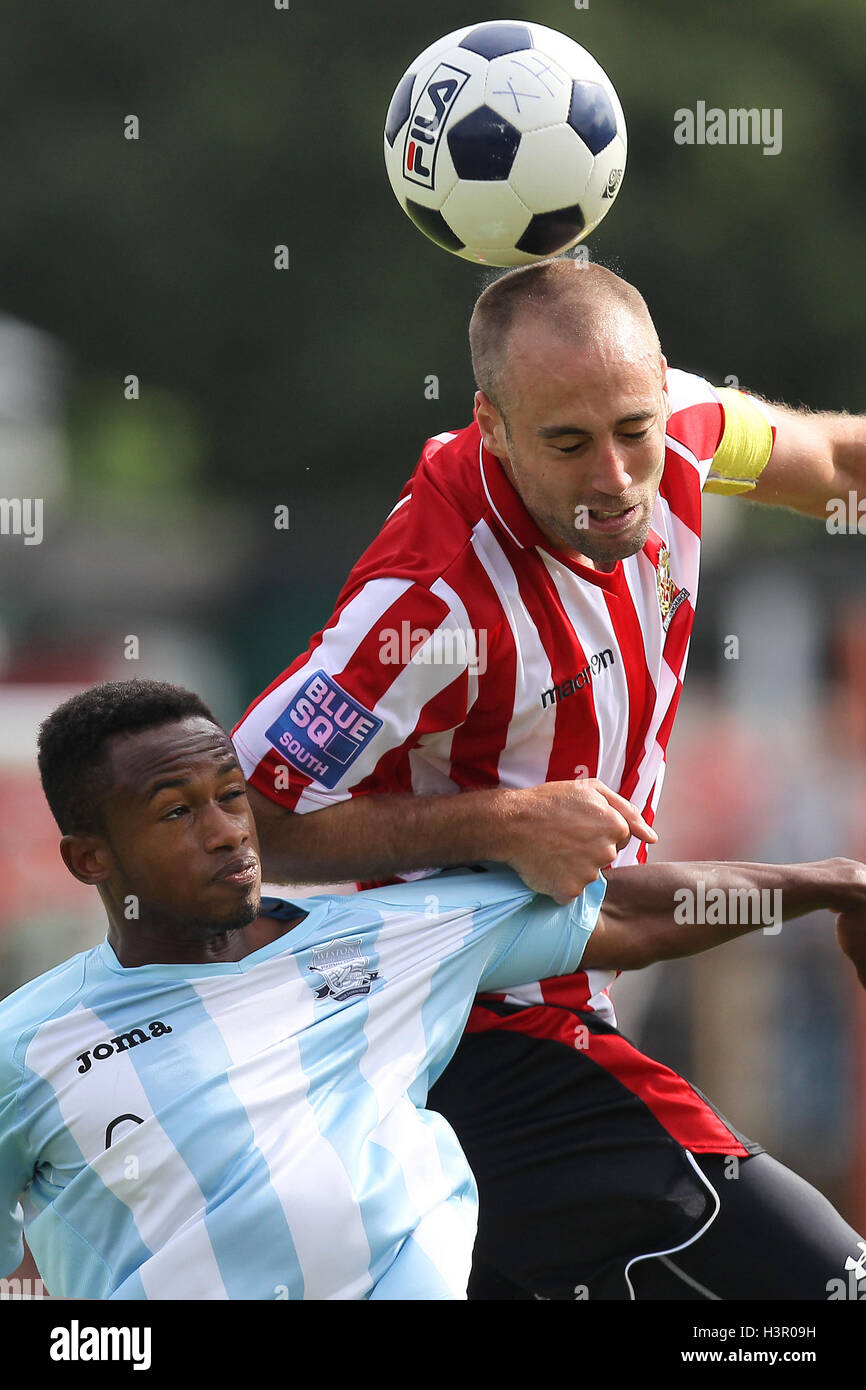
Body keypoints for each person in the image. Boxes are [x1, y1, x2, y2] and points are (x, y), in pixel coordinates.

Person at [232, 257, 866, 1299]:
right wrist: (498, 818)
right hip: (470, 1029)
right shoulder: (425, 606)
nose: (615, 477)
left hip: (570, 1002)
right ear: (491, 425)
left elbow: (836, 465)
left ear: (663, 390)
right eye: (567, 444)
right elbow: (245, 813)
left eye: (632, 430)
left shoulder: (689, 431)